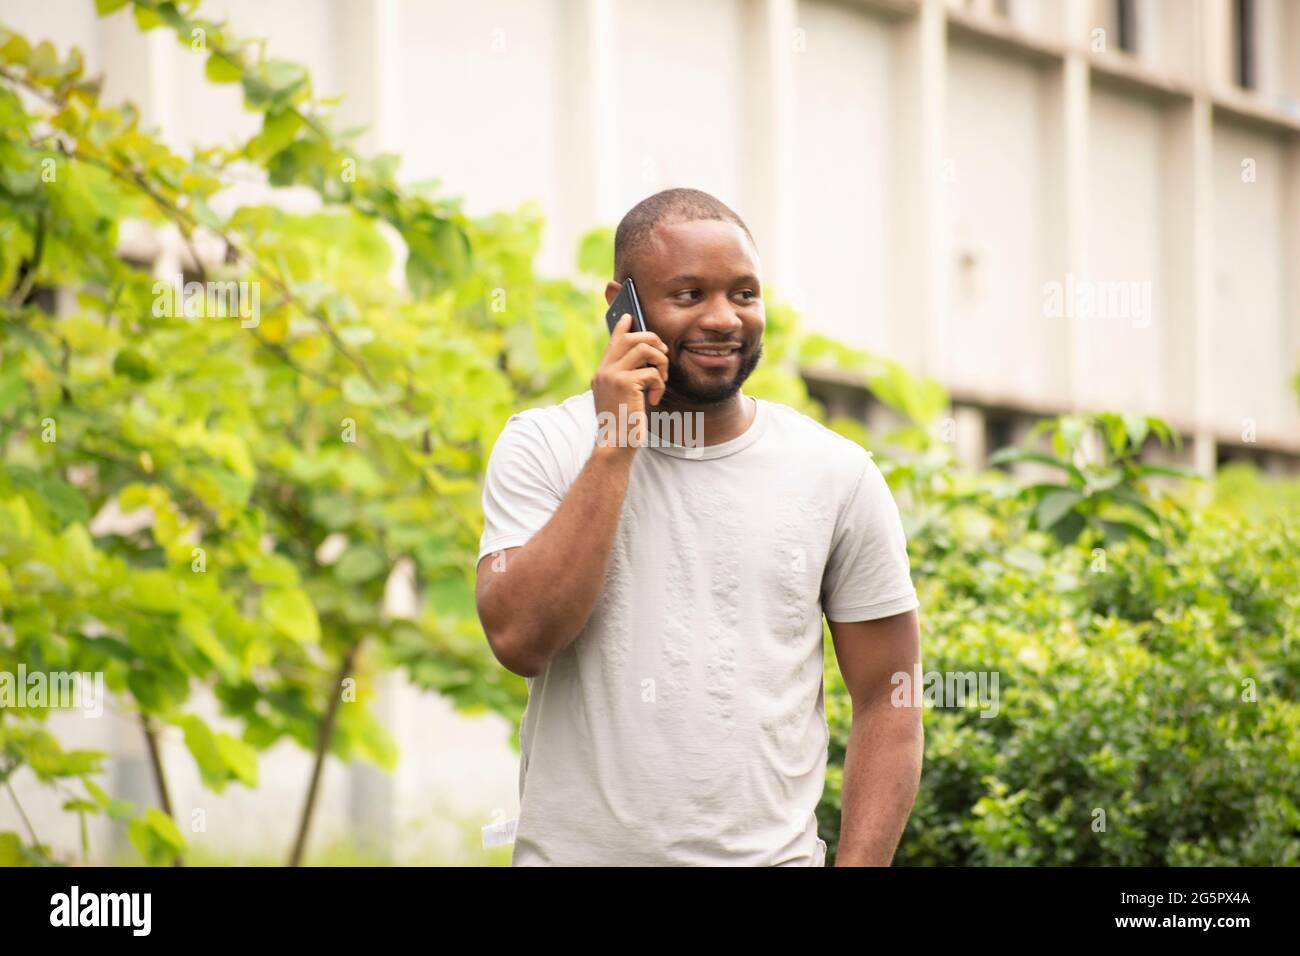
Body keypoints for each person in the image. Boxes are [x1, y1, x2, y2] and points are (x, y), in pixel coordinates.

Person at [474, 187, 923, 866]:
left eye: (744, 294)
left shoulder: (837, 473)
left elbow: (890, 696)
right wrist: (615, 444)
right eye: (688, 295)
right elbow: (520, 640)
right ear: (619, 306)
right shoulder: (544, 445)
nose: (723, 319)